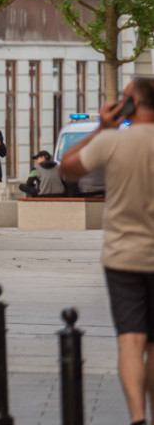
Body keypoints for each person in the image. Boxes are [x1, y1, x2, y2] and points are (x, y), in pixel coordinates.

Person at [59, 79, 154, 425]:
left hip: (122, 257)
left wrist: (101, 128)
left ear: (130, 104)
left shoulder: (113, 141)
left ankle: (137, 417)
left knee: (130, 340)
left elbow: (67, 166)